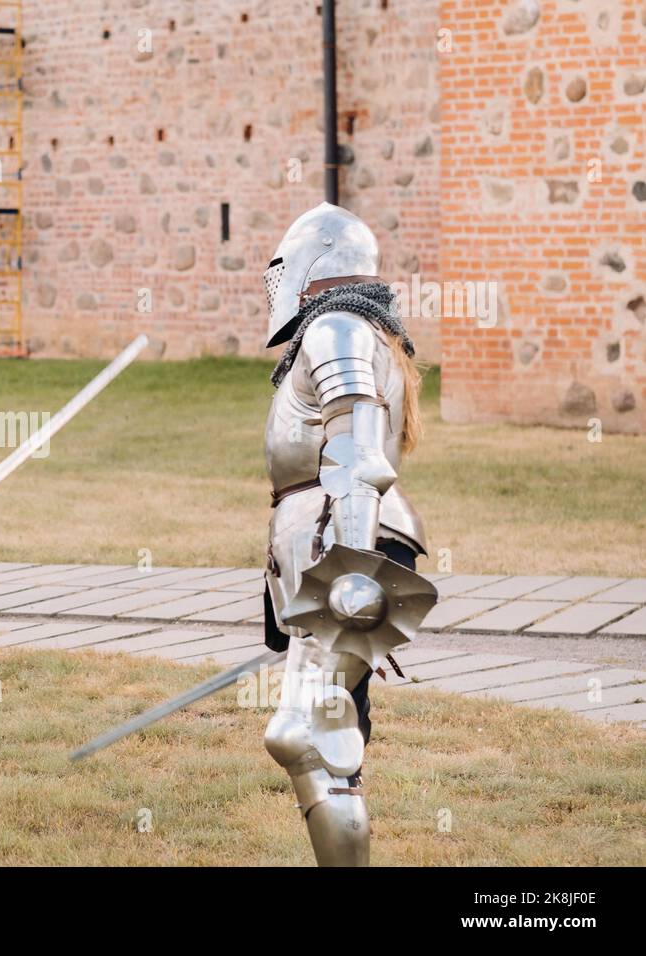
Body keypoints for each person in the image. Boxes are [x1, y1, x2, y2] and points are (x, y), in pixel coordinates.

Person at [259, 202, 427, 865]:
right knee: (308, 739)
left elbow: (356, 456)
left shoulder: (334, 329)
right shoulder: (357, 328)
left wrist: (354, 567)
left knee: (312, 739)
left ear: (312, 267)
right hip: (326, 550)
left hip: (346, 548)